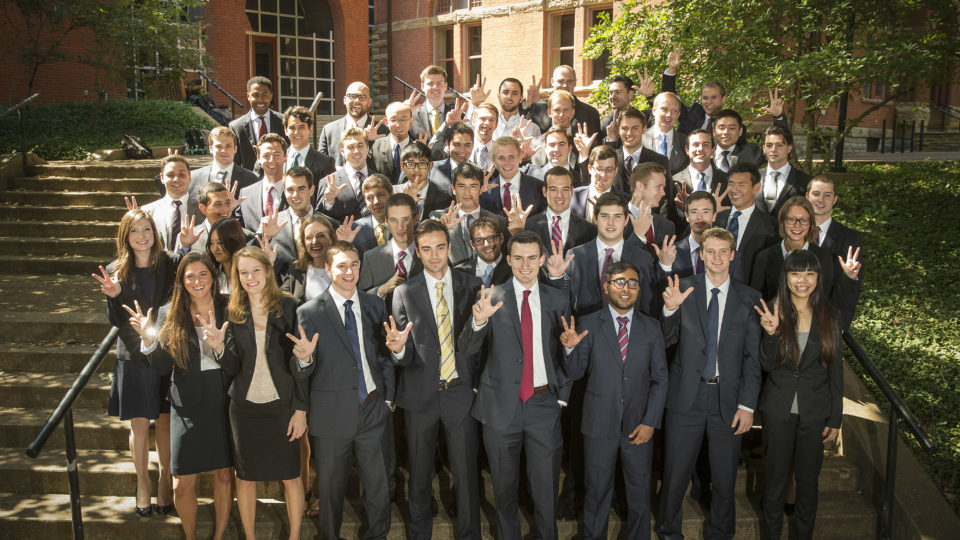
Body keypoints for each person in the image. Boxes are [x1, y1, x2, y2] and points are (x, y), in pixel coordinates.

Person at [457, 231, 572, 540]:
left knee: (545, 492)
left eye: (532, 258)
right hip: (499, 410)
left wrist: (561, 398)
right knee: (504, 492)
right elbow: (467, 350)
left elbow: (566, 353)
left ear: (542, 260)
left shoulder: (557, 298)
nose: (525, 265)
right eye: (518, 258)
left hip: (543, 406)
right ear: (508, 260)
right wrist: (478, 322)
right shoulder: (490, 296)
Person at [295, 240, 405, 540]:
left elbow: (383, 357)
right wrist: (303, 360)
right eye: (341, 265)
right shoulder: (309, 312)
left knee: (378, 486)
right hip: (331, 416)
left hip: (373, 408)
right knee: (330, 490)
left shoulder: (374, 305)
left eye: (354, 264)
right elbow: (303, 369)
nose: (349, 271)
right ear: (328, 268)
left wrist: (388, 399)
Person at [656, 227, 762, 540]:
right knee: (675, 475)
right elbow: (664, 339)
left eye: (722, 251)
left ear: (732, 255)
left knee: (725, 478)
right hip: (686, 397)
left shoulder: (749, 298)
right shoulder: (684, 289)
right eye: (710, 251)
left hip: (728, 400)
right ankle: (668, 533)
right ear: (701, 255)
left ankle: (720, 533)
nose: (716, 257)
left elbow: (752, 360)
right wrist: (670, 309)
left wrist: (747, 404)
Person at [560, 261, 668, 540]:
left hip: (639, 426)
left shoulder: (652, 327)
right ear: (606, 287)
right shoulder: (587, 323)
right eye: (619, 282)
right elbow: (575, 372)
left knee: (639, 495)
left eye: (633, 283)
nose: (626, 288)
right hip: (598, 425)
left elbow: (660, 379)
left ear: (638, 289)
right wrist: (569, 349)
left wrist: (650, 422)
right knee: (596, 493)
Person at [131, 252, 234, 540]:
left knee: (224, 475)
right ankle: (190, 536)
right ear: (181, 281)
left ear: (213, 277)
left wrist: (220, 347)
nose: (197, 281)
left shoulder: (229, 306)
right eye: (190, 276)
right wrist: (149, 340)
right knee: (181, 482)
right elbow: (163, 366)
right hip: (185, 402)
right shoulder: (168, 313)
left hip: (223, 397)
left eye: (203, 274)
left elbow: (239, 360)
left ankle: (220, 534)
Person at [392, 219, 483, 539]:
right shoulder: (404, 292)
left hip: (459, 393)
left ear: (449, 248)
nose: (434, 256)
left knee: (466, 473)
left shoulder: (471, 285)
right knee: (418, 474)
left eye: (440, 248)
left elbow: (477, 345)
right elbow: (402, 354)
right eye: (426, 249)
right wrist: (398, 351)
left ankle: (470, 534)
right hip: (419, 397)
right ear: (418, 251)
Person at [216, 246, 309, 540]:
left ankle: (295, 536)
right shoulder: (233, 310)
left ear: (268, 271)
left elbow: (300, 363)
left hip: (282, 405)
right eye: (243, 272)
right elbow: (233, 366)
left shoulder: (290, 307)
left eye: (256, 270)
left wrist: (300, 409)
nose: (250, 277)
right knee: (244, 480)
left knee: (292, 478)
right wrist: (219, 347)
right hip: (244, 408)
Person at [755, 250, 846, 540]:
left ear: (818, 277)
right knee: (774, 483)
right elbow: (767, 365)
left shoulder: (830, 315)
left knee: (808, 485)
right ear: (787, 276)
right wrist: (770, 334)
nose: (802, 280)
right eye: (796, 273)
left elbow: (835, 370)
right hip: (778, 408)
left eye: (809, 273)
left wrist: (835, 415)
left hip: (815, 411)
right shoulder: (773, 309)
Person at [94, 209, 177, 517]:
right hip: (132, 353)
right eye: (135, 231)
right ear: (125, 237)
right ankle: (142, 483)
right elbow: (117, 320)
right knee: (139, 423)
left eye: (147, 230)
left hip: (164, 350)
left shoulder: (170, 263)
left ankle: (165, 483)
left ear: (155, 233)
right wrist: (114, 295)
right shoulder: (117, 269)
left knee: (166, 420)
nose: (142, 236)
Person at [551, 192, 663, 317]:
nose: (611, 222)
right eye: (605, 216)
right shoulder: (575, 257)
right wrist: (556, 278)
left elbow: (648, 308)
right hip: (585, 333)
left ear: (626, 220)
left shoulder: (642, 258)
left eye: (617, 216)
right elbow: (563, 305)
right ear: (595, 219)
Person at [750, 196, 861, 315]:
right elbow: (755, 301)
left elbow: (829, 303)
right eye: (791, 219)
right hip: (773, 329)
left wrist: (848, 277)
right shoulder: (764, 257)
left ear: (810, 223)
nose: (797, 225)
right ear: (782, 221)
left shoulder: (823, 257)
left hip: (811, 330)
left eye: (803, 220)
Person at [806, 175, 864, 329]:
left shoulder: (850, 238)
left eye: (827, 195)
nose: (821, 200)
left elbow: (852, 290)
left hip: (828, 325)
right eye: (816, 194)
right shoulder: (793, 232)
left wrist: (840, 328)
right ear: (807, 196)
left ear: (835, 199)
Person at [430, 161, 505, 268]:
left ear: (482, 189)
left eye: (473, 186)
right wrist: (441, 231)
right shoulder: (437, 218)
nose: (467, 192)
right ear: (453, 189)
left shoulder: (498, 221)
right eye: (461, 186)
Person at [714, 163, 778, 285]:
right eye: (731, 184)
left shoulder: (770, 226)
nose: (734, 190)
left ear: (756, 188)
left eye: (741, 184)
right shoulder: (716, 219)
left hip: (750, 294)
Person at [358, 192, 422, 303]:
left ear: (416, 219)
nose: (400, 227)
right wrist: (381, 290)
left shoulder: (429, 251)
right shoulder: (371, 258)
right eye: (393, 220)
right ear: (386, 221)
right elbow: (360, 299)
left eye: (405, 219)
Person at [524, 166, 597, 255]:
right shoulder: (529, 226)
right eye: (553, 189)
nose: (559, 195)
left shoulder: (589, 230)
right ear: (544, 191)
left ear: (572, 191)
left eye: (565, 189)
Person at [259, 166, 318, 274]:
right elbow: (254, 259)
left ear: (311, 190)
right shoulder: (269, 223)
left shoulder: (330, 225)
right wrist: (266, 238)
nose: (295, 195)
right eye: (290, 190)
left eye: (301, 188)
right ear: (284, 191)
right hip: (282, 289)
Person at [317, 81, 389, 166]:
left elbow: (385, 166)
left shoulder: (383, 131)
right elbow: (321, 165)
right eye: (352, 96)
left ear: (369, 102)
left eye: (362, 97)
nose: (357, 101)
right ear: (345, 100)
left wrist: (372, 142)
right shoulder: (329, 130)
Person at [142, 155, 202, 252]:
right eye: (170, 175)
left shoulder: (203, 209)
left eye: (181, 175)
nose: (176, 179)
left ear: (189, 177)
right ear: (162, 177)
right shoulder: (147, 211)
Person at [523, 65, 601, 135]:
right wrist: (527, 104)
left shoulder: (590, 113)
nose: (565, 85)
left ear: (575, 83)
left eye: (570, 81)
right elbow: (520, 125)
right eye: (560, 81)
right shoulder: (537, 109)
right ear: (552, 82)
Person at [230, 76, 287, 171]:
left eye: (265, 95)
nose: (260, 100)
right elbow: (234, 163)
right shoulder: (236, 127)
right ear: (248, 96)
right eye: (255, 95)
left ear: (271, 96)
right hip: (250, 182)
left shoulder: (284, 122)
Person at [317, 127, 374, 223]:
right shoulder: (327, 182)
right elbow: (319, 220)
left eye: (360, 146)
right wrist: (328, 202)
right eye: (351, 147)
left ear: (367, 149)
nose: (356, 151)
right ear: (342, 152)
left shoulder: (381, 179)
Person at [478, 136, 546, 217]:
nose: (507, 163)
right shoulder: (484, 192)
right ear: (494, 160)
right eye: (501, 158)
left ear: (520, 158)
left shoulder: (539, 188)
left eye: (511, 157)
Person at [187, 127, 259, 199]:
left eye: (228, 146)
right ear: (211, 149)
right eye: (219, 146)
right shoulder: (193, 178)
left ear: (235, 149)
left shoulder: (251, 179)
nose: (224, 150)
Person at [283, 105, 335, 203]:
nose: (296, 132)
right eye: (292, 128)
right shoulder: (278, 159)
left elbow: (325, 200)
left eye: (301, 127)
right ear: (286, 130)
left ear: (310, 129)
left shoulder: (325, 162)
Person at [280, 213, 337, 304]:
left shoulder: (343, 267)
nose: (314, 242)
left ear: (330, 239)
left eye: (320, 236)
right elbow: (279, 299)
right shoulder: (296, 269)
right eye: (309, 238)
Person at [757, 126, 812, 217]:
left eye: (779, 145)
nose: (773, 150)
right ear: (764, 148)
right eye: (769, 145)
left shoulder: (806, 181)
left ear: (789, 148)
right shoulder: (752, 178)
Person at [238, 133, 288, 233]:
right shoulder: (245, 194)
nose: (271, 160)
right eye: (266, 155)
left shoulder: (296, 191)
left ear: (285, 157)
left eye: (276, 155)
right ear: (259, 158)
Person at [614, 108, 670, 195]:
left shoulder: (659, 161)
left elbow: (666, 201)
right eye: (624, 128)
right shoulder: (611, 159)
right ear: (619, 129)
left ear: (644, 129)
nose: (629, 133)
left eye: (635, 128)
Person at [395, 141, 453, 219]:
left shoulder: (443, 199)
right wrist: (407, 202)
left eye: (422, 164)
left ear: (431, 165)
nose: (416, 169)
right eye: (411, 164)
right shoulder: (393, 193)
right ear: (402, 166)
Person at [570, 145, 628, 221]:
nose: (603, 174)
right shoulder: (572, 196)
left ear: (616, 171)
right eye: (599, 169)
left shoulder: (626, 201)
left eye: (609, 169)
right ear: (590, 169)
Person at [627, 162, 677, 250]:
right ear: (640, 186)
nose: (663, 193)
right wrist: (637, 236)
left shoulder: (667, 226)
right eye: (658, 187)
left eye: (663, 188)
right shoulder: (615, 220)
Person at [642, 92, 689, 176]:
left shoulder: (686, 142)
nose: (669, 115)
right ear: (654, 111)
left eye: (674, 111)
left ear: (678, 115)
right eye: (665, 109)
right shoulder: (639, 139)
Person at [459, 216, 512, 286]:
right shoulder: (461, 272)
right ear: (472, 245)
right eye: (479, 240)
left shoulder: (514, 269)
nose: (486, 244)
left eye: (491, 238)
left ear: (501, 238)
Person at [190, 182, 240, 254]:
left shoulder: (246, 236)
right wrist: (185, 247)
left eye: (227, 203)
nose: (225, 209)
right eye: (218, 204)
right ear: (203, 208)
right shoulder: (190, 239)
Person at [206, 218, 250, 295]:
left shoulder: (248, 274)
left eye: (219, 242)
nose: (215, 248)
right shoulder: (211, 274)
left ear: (233, 242)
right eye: (211, 243)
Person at [468, 103, 499, 169]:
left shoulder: (501, 151)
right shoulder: (462, 149)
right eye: (483, 119)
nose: (487, 123)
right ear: (473, 122)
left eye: (492, 120)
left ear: (496, 124)